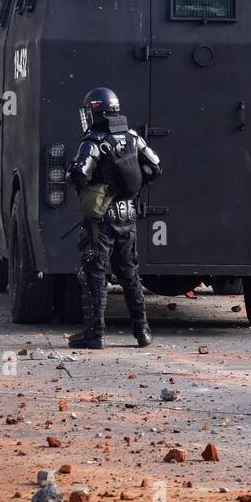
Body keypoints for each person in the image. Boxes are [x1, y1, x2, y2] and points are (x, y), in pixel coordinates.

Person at [67, 88, 161, 350]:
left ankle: (95, 334)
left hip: (101, 221)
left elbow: (80, 174)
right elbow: (155, 167)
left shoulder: (94, 141)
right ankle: (142, 332)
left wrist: (94, 187)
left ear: (95, 111)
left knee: (95, 275)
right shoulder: (132, 137)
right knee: (130, 275)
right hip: (128, 216)